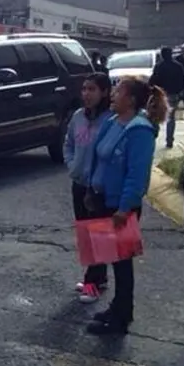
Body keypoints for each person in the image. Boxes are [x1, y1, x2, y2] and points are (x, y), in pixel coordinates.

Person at [85, 77, 166, 335]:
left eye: (118, 91)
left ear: (130, 99)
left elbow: (137, 174)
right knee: (109, 256)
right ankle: (116, 307)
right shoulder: (112, 122)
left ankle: (122, 316)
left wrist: (125, 207)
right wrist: (91, 188)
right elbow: (100, 159)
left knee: (122, 263)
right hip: (102, 200)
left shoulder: (139, 130)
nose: (113, 94)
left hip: (120, 206)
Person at [64, 73, 113, 304]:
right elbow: (69, 144)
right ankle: (96, 277)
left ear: (104, 92)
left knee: (98, 236)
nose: (86, 94)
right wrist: (72, 166)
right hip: (80, 183)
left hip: (99, 188)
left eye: (92, 89)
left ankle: (92, 283)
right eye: (84, 89)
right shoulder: (77, 117)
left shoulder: (111, 119)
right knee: (85, 234)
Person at [149, 47, 184, 149]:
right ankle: (169, 141)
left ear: (162, 55)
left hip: (160, 95)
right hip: (174, 94)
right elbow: (183, 81)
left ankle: (153, 136)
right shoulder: (178, 66)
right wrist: (180, 93)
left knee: (156, 116)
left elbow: (153, 80)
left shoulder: (159, 66)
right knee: (171, 118)